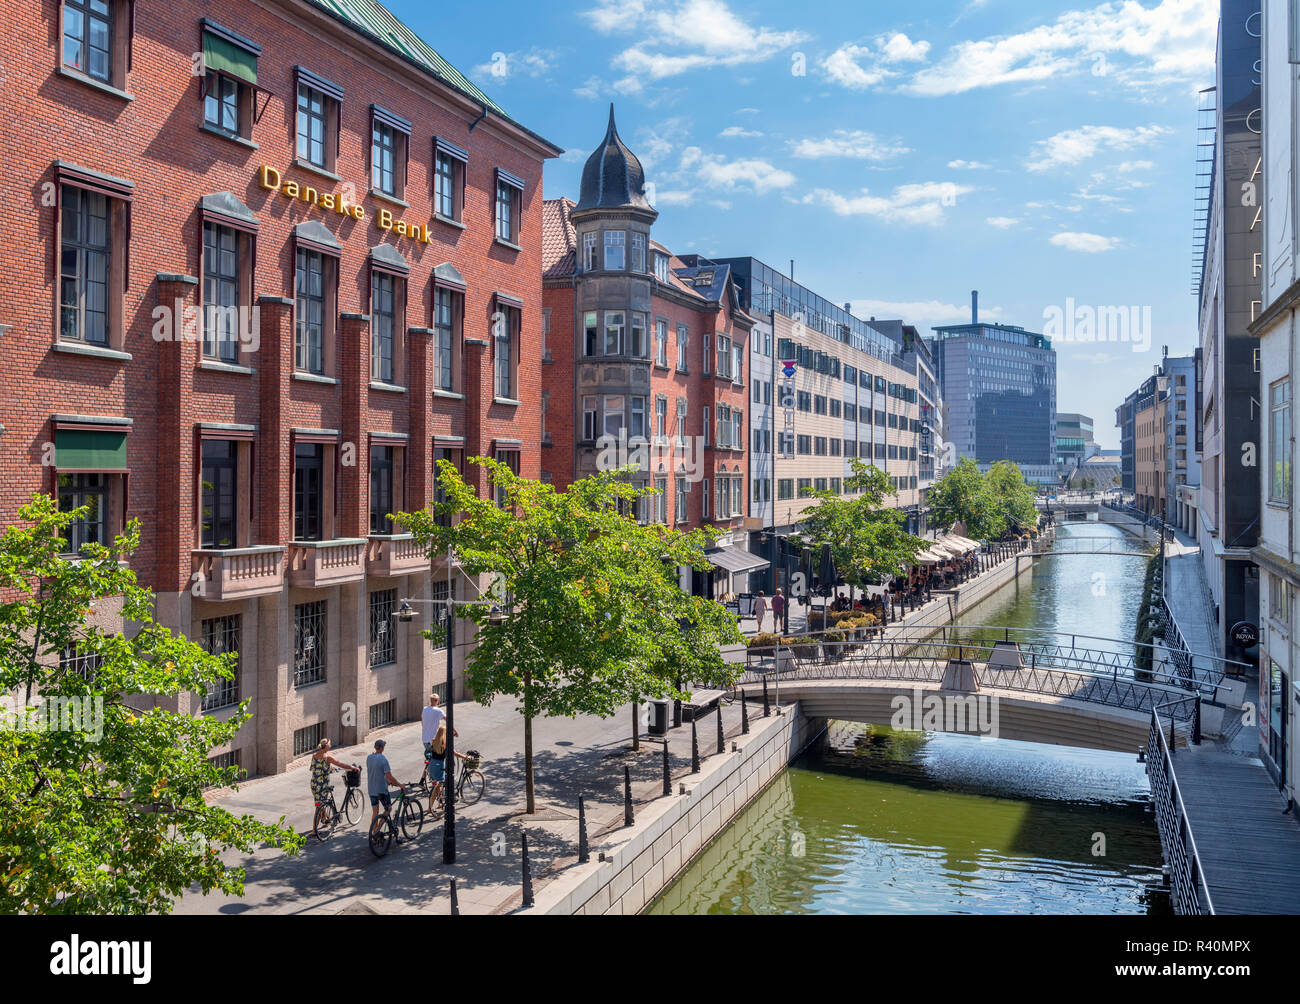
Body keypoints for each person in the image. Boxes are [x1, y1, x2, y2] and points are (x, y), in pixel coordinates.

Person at [426, 721, 471, 807]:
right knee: (442, 786)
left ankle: (438, 804)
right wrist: (466, 757)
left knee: (437, 786)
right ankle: (435, 807)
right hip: (440, 766)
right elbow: (455, 753)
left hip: (432, 765)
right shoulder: (445, 744)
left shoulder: (434, 741)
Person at [366, 739, 403, 833]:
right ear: (382, 748)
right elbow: (389, 776)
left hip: (371, 789)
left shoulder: (369, 758)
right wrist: (399, 785)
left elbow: (376, 772)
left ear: (375, 747)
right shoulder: (383, 760)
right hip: (381, 790)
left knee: (375, 812)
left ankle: (373, 833)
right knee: (388, 809)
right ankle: (378, 829)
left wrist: (387, 781)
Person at [310, 738, 358, 808]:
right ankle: (323, 816)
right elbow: (340, 764)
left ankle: (323, 817)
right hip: (323, 786)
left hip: (314, 785)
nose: (330, 746)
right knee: (321, 807)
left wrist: (331, 768)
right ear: (326, 746)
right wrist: (353, 768)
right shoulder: (328, 758)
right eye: (329, 745)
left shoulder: (314, 756)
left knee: (318, 807)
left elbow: (318, 768)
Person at [421, 692, 457, 771]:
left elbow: (422, 723)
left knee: (430, 759)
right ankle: (441, 776)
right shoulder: (438, 711)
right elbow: (448, 721)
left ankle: (429, 776)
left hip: (425, 739)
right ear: (437, 700)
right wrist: (454, 731)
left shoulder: (425, 709)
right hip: (434, 740)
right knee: (442, 756)